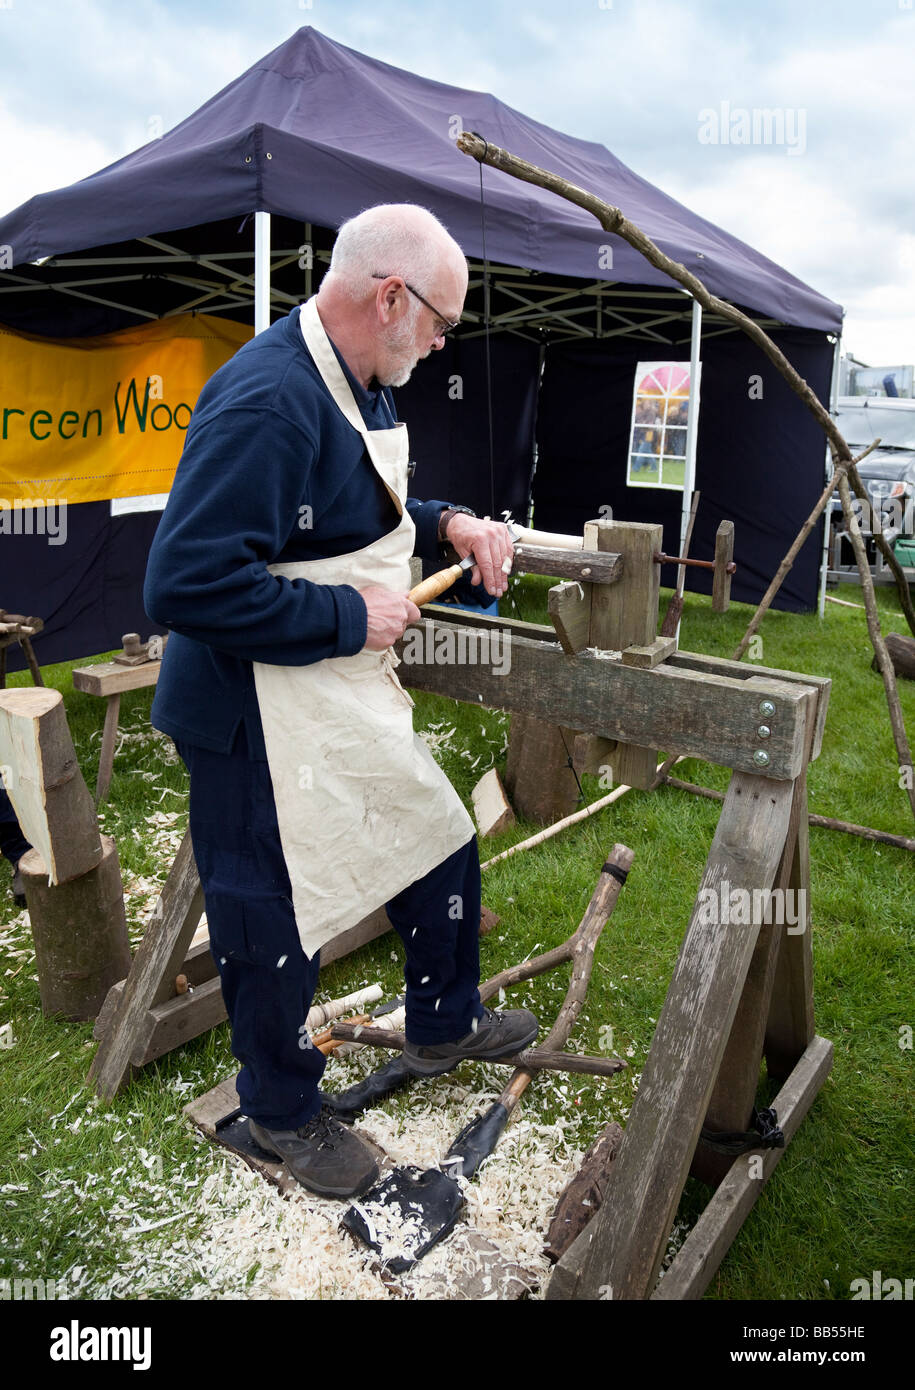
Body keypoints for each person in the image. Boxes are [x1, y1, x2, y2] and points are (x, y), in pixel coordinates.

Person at [143, 204, 538, 1200]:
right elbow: (182, 585)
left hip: (324, 686)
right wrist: (340, 617)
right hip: (246, 709)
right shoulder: (268, 401)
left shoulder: (364, 381)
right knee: (266, 918)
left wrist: (444, 521)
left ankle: (444, 1022)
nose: (445, 343)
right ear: (391, 297)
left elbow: (362, 498)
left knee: (435, 833)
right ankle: (279, 1109)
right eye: (442, 321)